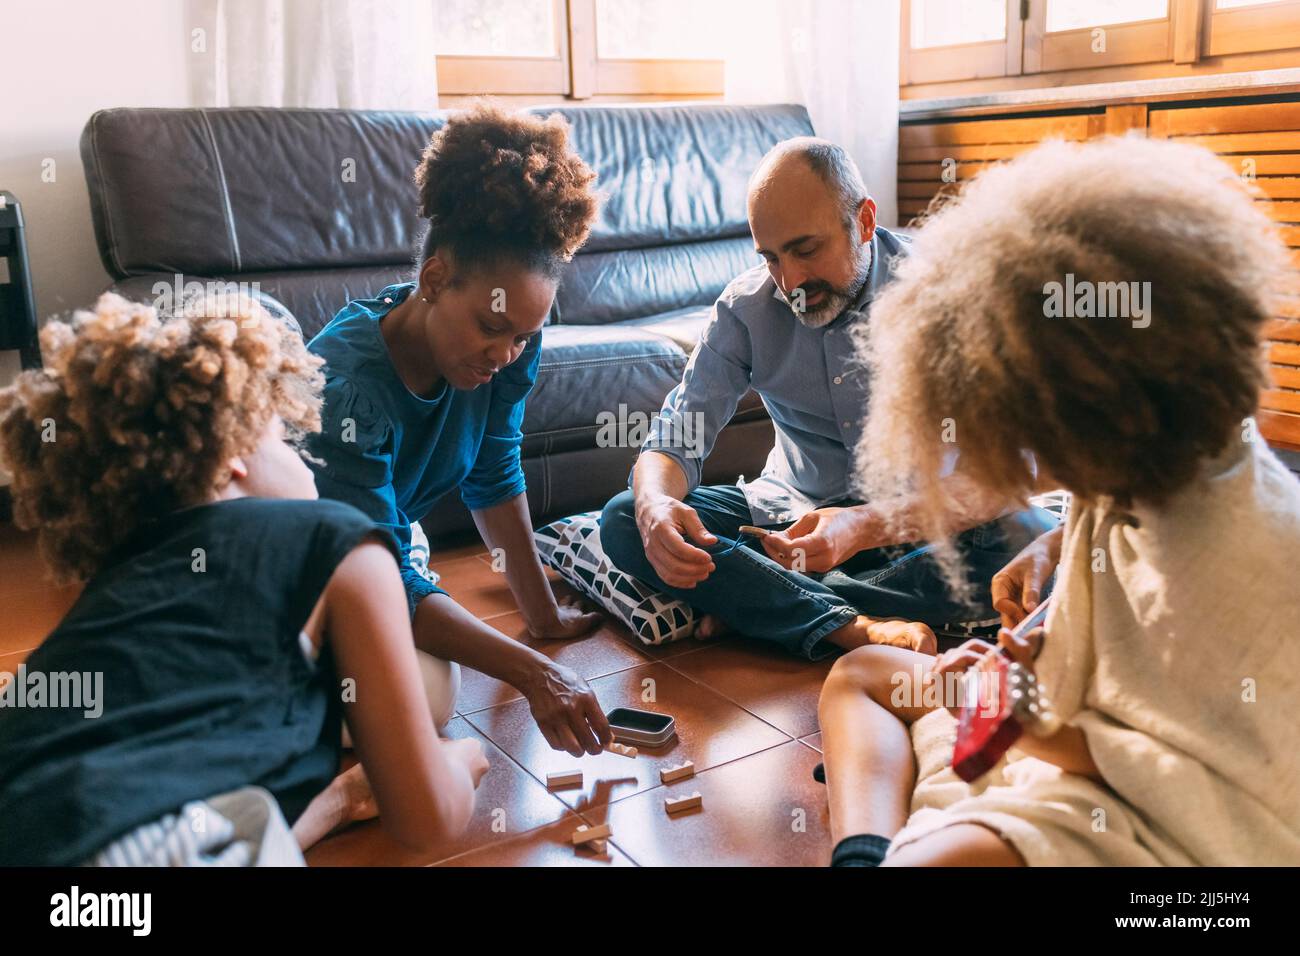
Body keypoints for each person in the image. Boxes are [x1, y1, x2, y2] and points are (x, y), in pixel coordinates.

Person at [818, 135, 1300, 867]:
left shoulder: (1261, 561)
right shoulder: (1154, 462)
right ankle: (864, 856)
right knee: (861, 674)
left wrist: (1033, 726)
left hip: (1158, 829)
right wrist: (1050, 584)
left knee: (947, 858)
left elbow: (1230, 798)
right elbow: (1115, 570)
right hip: (1065, 739)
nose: (1034, 463)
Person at [0, 293, 487, 866]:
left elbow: (173, 809)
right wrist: (462, 762)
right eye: (284, 437)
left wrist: (340, 799)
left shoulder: (108, 599)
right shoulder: (333, 538)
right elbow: (426, 819)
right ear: (231, 453)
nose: (305, 460)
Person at [599, 137, 1056, 660]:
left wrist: (863, 525)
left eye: (806, 249)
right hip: (787, 515)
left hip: (922, 521)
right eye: (770, 257)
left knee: (1031, 536)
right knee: (622, 519)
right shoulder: (745, 310)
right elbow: (677, 438)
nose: (790, 281)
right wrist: (657, 502)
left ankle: (763, 602)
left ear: (863, 221)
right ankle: (843, 622)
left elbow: (1009, 476)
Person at [307, 105, 613, 758]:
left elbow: (494, 472)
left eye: (524, 334)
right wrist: (533, 672)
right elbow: (376, 574)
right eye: (489, 327)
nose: (505, 353)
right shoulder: (345, 390)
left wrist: (543, 619)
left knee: (417, 695)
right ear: (435, 279)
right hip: (306, 557)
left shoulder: (511, 344)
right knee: (422, 701)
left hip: (380, 539)